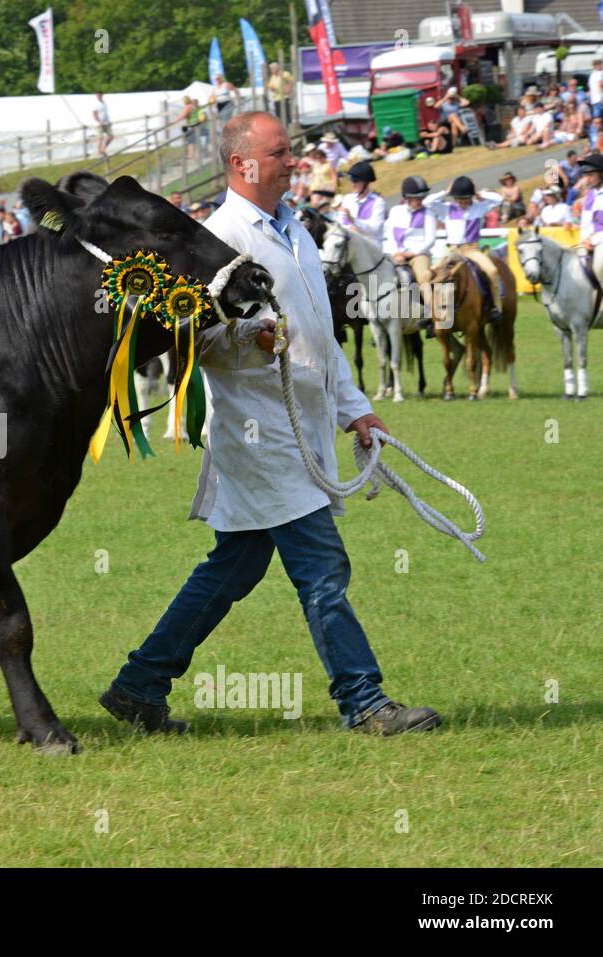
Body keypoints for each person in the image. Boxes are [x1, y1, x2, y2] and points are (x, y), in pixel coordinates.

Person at [98, 110, 437, 738]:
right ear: (241, 163)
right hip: (260, 432)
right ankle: (364, 700)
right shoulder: (217, 238)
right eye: (280, 152)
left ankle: (140, 684)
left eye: (291, 152)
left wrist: (354, 407)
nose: (292, 161)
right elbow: (190, 339)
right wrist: (246, 334)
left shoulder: (298, 232)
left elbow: (321, 337)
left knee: (236, 565)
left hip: (302, 425)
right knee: (322, 566)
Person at [424, 176, 506, 321]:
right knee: (430, 275)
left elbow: (499, 199)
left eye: (466, 198)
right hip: (452, 251)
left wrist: (479, 194)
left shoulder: (479, 207)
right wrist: (446, 191)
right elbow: (427, 202)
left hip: (472, 250)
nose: (463, 202)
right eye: (459, 199)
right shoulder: (447, 209)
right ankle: (430, 312)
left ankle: (496, 308)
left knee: (492, 271)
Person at [383, 176, 439, 334]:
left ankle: (430, 315)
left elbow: (430, 239)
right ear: (407, 197)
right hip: (396, 254)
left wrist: (412, 253)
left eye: (422, 197)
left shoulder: (428, 213)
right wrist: (396, 253)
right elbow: (390, 235)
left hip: (419, 254)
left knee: (423, 277)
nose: (421, 200)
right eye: (417, 198)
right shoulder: (395, 211)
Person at [336, 161, 385, 246]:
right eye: (352, 181)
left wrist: (354, 221)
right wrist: (350, 230)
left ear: (366, 182)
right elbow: (340, 224)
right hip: (350, 243)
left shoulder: (378, 202)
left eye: (355, 181)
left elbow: (375, 229)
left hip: (370, 246)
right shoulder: (347, 199)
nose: (352, 184)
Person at [573, 153, 603, 289]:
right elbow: (585, 224)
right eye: (586, 175)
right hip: (590, 240)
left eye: (591, 175)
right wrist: (585, 240)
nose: (587, 179)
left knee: (599, 264)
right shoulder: (590, 195)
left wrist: (593, 241)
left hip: (600, 240)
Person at [93, 92, 114, 157]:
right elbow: (94, 114)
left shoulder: (104, 103)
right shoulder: (96, 104)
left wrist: (109, 121)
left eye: (99, 95)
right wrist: (99, 122)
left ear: (102, 96)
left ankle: (103, 149)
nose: (98, 97)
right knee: (100, 138)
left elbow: (105, 113)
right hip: (100, 124)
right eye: (97, 96)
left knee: (111, 136)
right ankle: (100, 153)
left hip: (107, 123)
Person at [589, 59, 603, 124]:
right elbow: (601, 85)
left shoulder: (592, 75)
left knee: (597, 119)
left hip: (594, 100)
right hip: (600, 100)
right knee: (598, 120)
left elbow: (590, 89)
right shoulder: (600, 73)